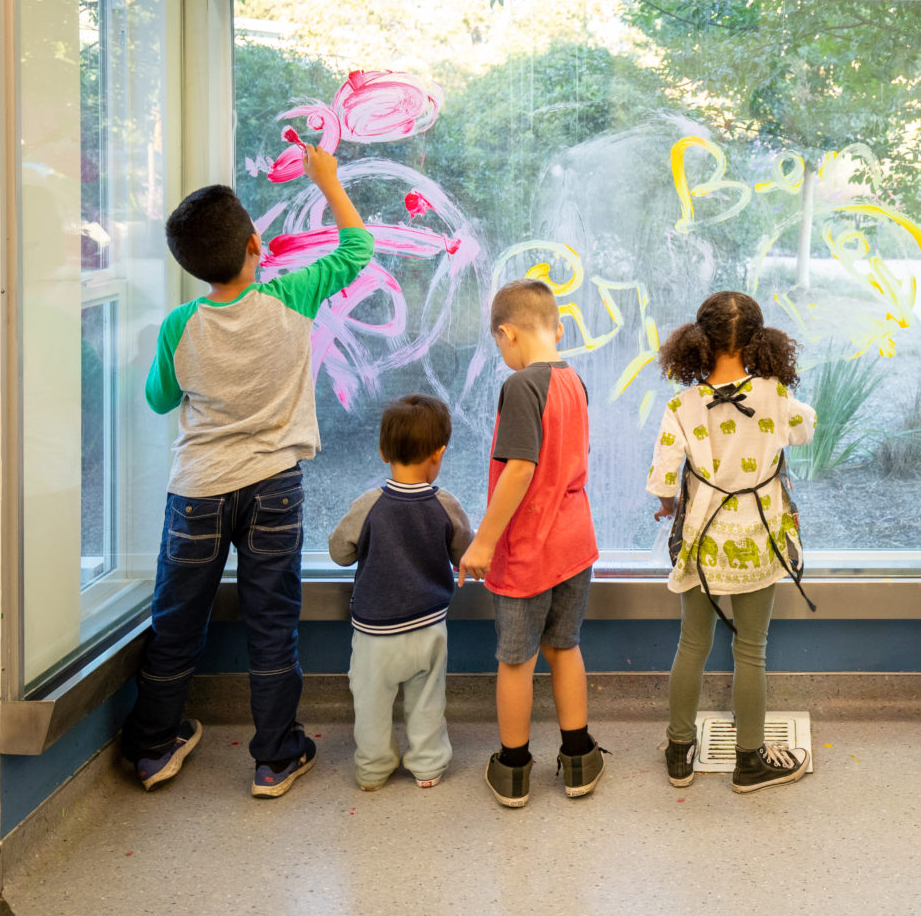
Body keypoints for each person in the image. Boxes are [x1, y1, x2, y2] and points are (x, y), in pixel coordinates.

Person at [121, 143, 371, 797]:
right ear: (256, 245)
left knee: (176, 620)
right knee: (271, 622)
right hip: (274, 487)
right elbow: (357, 250)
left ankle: (153, 748)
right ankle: (275, 757)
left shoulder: (180, 324)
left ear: (188, 264)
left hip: (198, 490)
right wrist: (328, 180)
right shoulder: (292, 297)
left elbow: (159, 399)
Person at [646, 291, 815, 794]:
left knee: (692, 644)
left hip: (703, 542)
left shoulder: (682, 405)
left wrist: (669, 502)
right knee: (751, 649)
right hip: (758, 542)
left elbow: (663, 478)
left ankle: (679, 752)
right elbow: (806, 428)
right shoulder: (774, 397)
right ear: (762, 342)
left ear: (697, 341)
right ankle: (749, 762)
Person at [459, 278, 603, 808]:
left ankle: (514, 768)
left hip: (529, 547)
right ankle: (579, 759)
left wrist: (482, 543)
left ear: (508, 333)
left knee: (516, 659)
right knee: (564, 647)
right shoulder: (573, 380)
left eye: (499, 343)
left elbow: (520, 469)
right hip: (574, 540)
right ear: (558, 329)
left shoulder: (522, 386)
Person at [328, 394, 473, 791]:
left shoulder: (368, 505)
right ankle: (428, 766)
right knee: (428, 702)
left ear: (382, 452)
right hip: (429, 628)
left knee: (371, 706)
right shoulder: (447, 505)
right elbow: (464, 553)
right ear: (438, 453)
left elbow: (339, 552)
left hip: (376, 635)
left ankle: (373, 770)